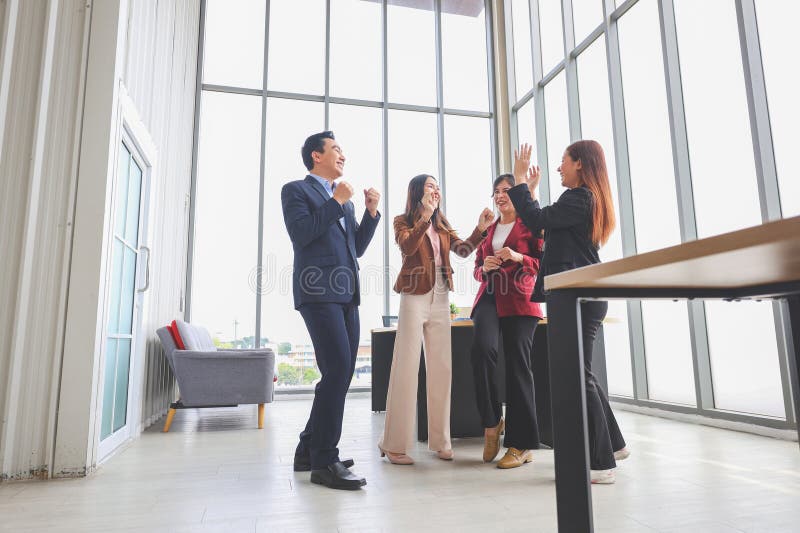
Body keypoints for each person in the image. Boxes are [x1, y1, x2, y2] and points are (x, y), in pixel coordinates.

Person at [507, 140, 629, 484]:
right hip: (577, 295)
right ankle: (614, 444)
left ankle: (602, 464)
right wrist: (529, 192)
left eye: (563, 161)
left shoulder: (580, 197)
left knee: (579, 376)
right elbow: (544, 226)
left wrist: (519, 182)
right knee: (583, 374)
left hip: (578, 296)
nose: (559, 167)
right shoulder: (581, 200)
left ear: (580, 164)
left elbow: (535, 218)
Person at [281, 131, 381, 490]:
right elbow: (302, 234)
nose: (343, 155)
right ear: (315, 156)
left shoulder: (347, 202)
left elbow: (357, 247)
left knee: (341, 372)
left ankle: (308, 448)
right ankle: (325, 460)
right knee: (337, 368)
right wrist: (336, 202)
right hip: (317, 290)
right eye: (336, 149)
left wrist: (369, 213)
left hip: (346, 293)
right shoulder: (295, 190)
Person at [378, 174, 494, 464]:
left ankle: (440, 440)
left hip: (441, 295)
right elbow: (407, 248)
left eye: (437, 186)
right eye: (430, 185)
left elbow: (464, 251)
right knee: (406, 366)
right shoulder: (402, 220)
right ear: (417, 191)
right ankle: (394, 444)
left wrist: (480, 229)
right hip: (414, 294)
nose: (436, 190)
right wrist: (424, 218)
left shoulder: (442, 225)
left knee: (442, 368)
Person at [470, 173, 544, 469]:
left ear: (519, 194)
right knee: (481, 351)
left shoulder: (531, 224)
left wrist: (518, 257)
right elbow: (476, 266)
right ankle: (491, 422)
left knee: (517, 367)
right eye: (496, 191)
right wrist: (484, 268)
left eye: (506, 190)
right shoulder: (489, 229)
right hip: (489, 294)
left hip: (520, 299)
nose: (500, 195)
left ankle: (521, 445)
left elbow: (542, 263)